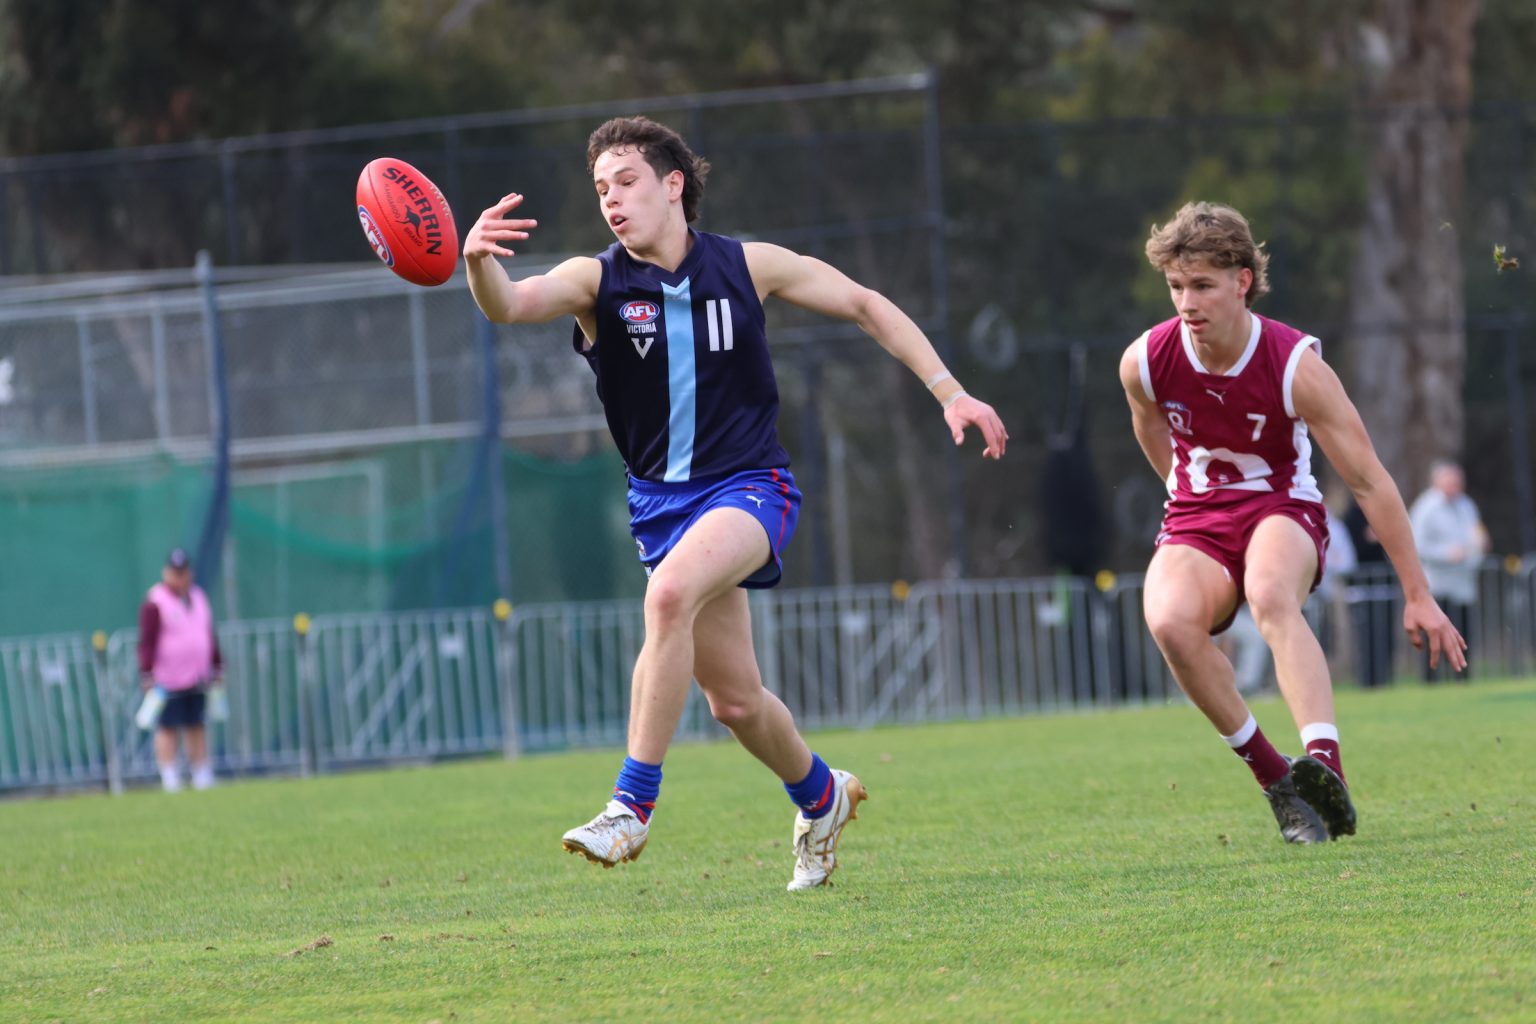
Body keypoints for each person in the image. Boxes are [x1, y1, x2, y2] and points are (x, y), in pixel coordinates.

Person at [462, 117, 1008, 889]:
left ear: (673, 184)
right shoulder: (598, 281)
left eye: (626, 181)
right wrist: (476, 263)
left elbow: (864, 304)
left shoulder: (748, 265)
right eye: (601, 188)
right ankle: (821, 797)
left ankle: (631, 808)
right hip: (660, 507)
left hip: (752, 488)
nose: (611, 200)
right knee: (736, 704)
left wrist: (951, 392)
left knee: (668, 596)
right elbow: (509, 305)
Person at [1117, 201, 1465, 844]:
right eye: (1176, 286)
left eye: (1203, 286)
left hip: (1281, 507)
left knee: (1270, 593)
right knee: (1168, 622)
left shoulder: (1293, 365)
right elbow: (1148, 423)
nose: (1187, 303)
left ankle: (1327, 769)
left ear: (1242, 280)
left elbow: (1369, 480)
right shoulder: (1145, 360)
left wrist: (1418, 593)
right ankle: (1279, 783)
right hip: (1197, 515)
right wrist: (1181, 489)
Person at [137, 548, 223, 792]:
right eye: (175, 572)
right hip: (168, 677)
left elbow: (207, 633)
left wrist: (217, 664)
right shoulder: (155, 601)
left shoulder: (198, 596)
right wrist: (147, 673)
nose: (180, 577)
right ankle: (170, 776)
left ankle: (201, 773)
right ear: (166, 573)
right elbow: (147, 641)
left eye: (183, 572)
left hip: (197, 675)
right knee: (168, 727)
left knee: (196, 724)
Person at [1408, 460, 1489, 682]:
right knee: (1434, 634)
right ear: (1437, 482)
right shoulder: (1426, 507)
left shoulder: (1466, 505)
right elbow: (1416, 545)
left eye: (1458, 482)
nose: (1455, 486)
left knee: (1463, 632)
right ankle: (1432, 679)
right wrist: (1446, 553)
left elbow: (1475, 533)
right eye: (1450, 481)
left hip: (1463, 583)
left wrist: (1480, 546)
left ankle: (1462, 676)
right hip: (1437, 584)